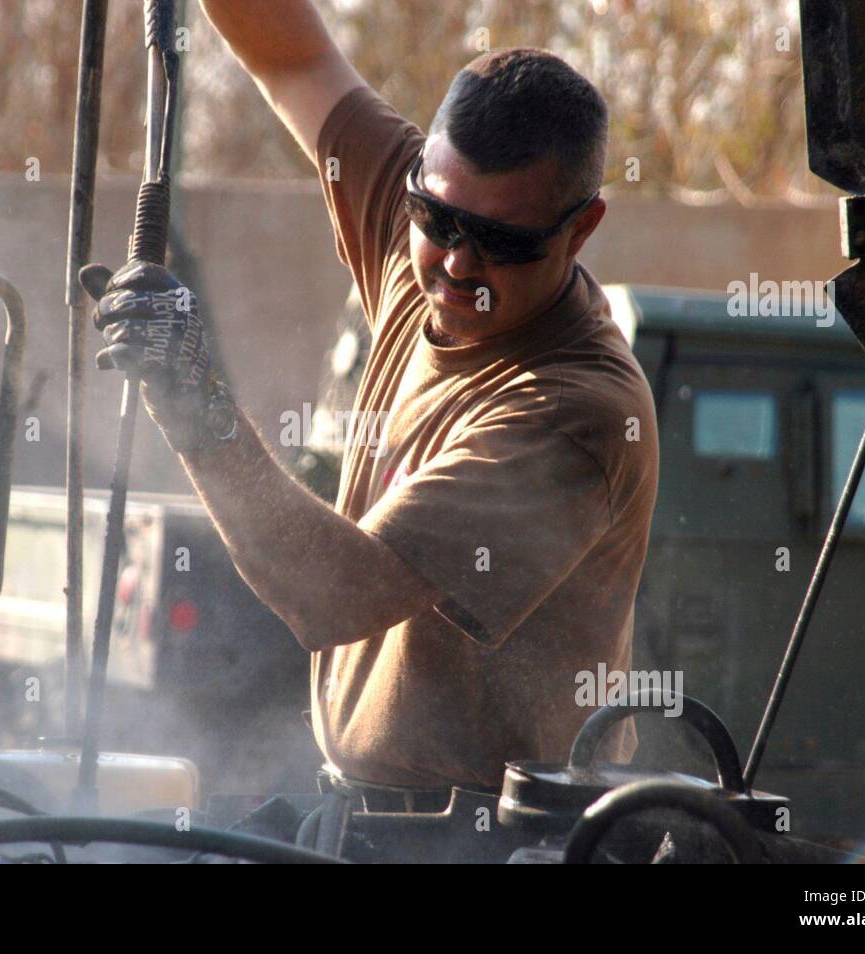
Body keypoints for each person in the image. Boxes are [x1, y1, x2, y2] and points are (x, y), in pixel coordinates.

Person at [83, 0, 659, 796]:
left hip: (492, 838)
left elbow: (332, 594)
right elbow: (292, 60)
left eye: (504, 243)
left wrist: (199, 408)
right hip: (369, 809)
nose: (458, 265)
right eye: (440, 219)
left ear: (583, 226)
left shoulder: (575, 411)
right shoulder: (409, 219)